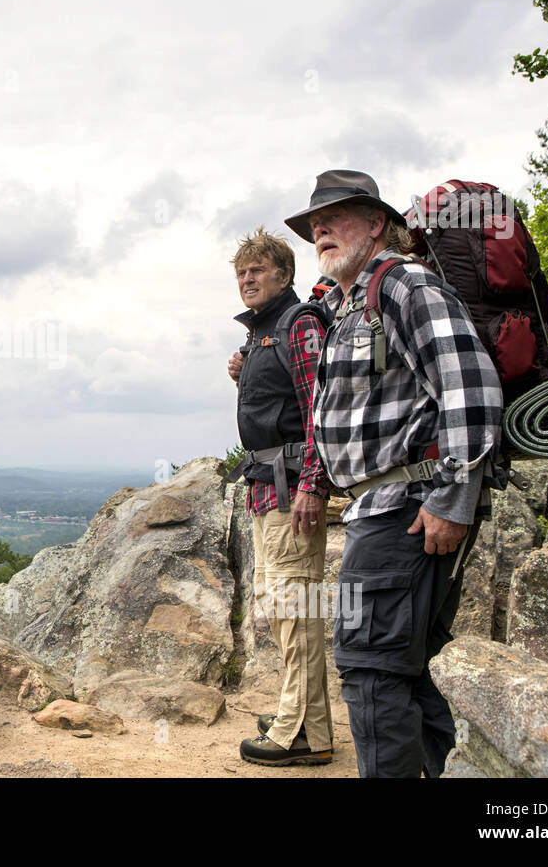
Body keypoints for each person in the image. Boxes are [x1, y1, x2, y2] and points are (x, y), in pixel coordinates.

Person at [283, 169, 504, 778]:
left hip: (403, 512)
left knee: (371, 669)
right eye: (312, 225)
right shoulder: (348, 303)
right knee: (412, 665)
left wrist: (453, 498)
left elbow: (472, 389)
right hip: (380, 510)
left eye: (336, 217)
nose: (319, 230)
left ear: (377, 223)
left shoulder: (407, 285)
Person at [225, 227, 335, 766]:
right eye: (241, 272)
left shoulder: (298, 323)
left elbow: (319, 410)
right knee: (286, 609)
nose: (247, 279)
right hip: (267, 488)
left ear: (284, 275)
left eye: (258, 270)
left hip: (293, 489)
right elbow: (280, 407)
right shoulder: (264, 333)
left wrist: (314, 485)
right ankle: (307, 721)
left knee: (296, 611)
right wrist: (245, 375)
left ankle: (300, 734)